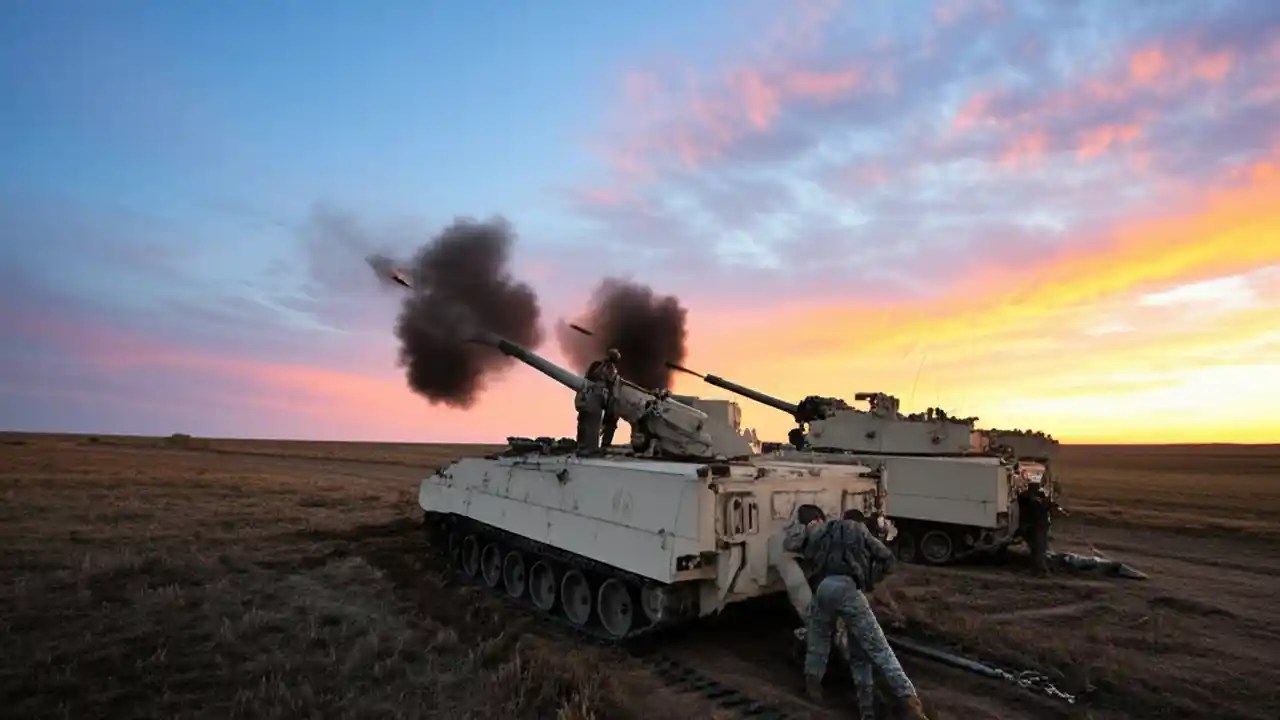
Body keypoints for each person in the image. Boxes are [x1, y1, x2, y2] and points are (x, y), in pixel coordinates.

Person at [784, 507, 929, 720]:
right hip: (848, 589)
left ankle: (813, 689)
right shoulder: (859, 530)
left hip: (823, 589)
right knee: (877, 649)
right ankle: (910, 703)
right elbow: (887, 559)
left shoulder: (823, 529)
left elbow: (797, 548)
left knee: (818, 642)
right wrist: (870, 579)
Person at [575, 348, 620, 454]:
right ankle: (585, 446)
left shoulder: (610, 370)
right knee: (586, 424)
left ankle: (601, 445)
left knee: (610, 420)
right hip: (593, 397)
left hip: (600, 399)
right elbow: (590, 379)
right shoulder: (599, 367)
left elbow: (612, 386)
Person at [1018, 478, 1052, 576]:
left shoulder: (1034, 503)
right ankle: (1039, 570)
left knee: (1038, 550)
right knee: (1039, 550)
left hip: (1038, 528)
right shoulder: (1039, 502)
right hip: (1040, 527)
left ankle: (1041, 570)